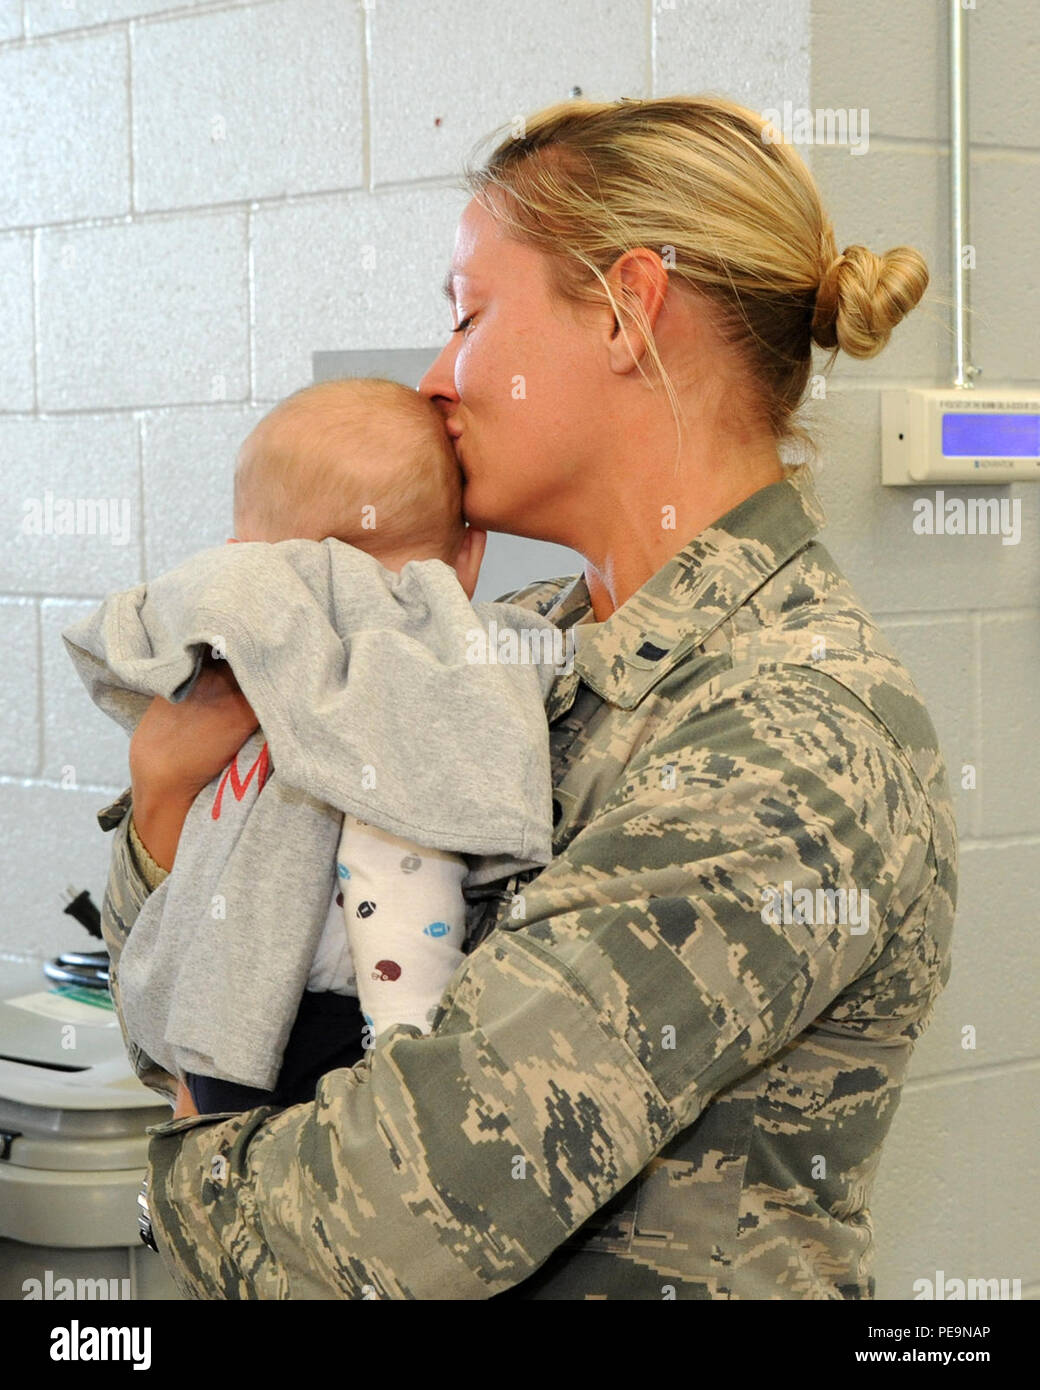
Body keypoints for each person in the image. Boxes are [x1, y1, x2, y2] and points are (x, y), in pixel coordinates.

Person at [96, 93, 957, 1299]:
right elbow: (208, 995)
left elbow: (410, 1213)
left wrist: (182, 1175)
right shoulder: (519, 653)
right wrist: (165, 799)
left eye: (470, 315)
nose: (439, 377)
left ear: (625, 310)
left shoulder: (779, 738)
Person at [69, 376, 560, 1115]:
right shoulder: (502, 669)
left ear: (242, 558)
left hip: (231, 1018)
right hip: (379, 1036)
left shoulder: (229, 664)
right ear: (469, 559)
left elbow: (150, 944)